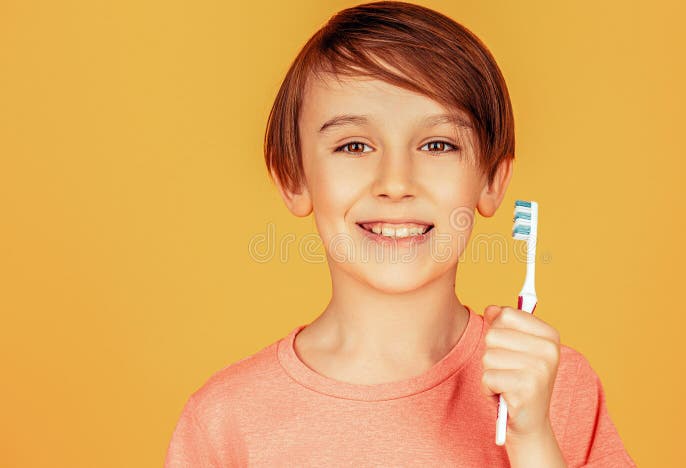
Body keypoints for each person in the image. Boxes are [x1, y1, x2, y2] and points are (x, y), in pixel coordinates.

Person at [165, 2, 635, 466]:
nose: (395, 182)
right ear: (294, 178)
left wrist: (533, 444)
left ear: (491, 181)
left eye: (437, 144)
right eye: (353, 145)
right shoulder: (225, 422)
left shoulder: (555, 389)